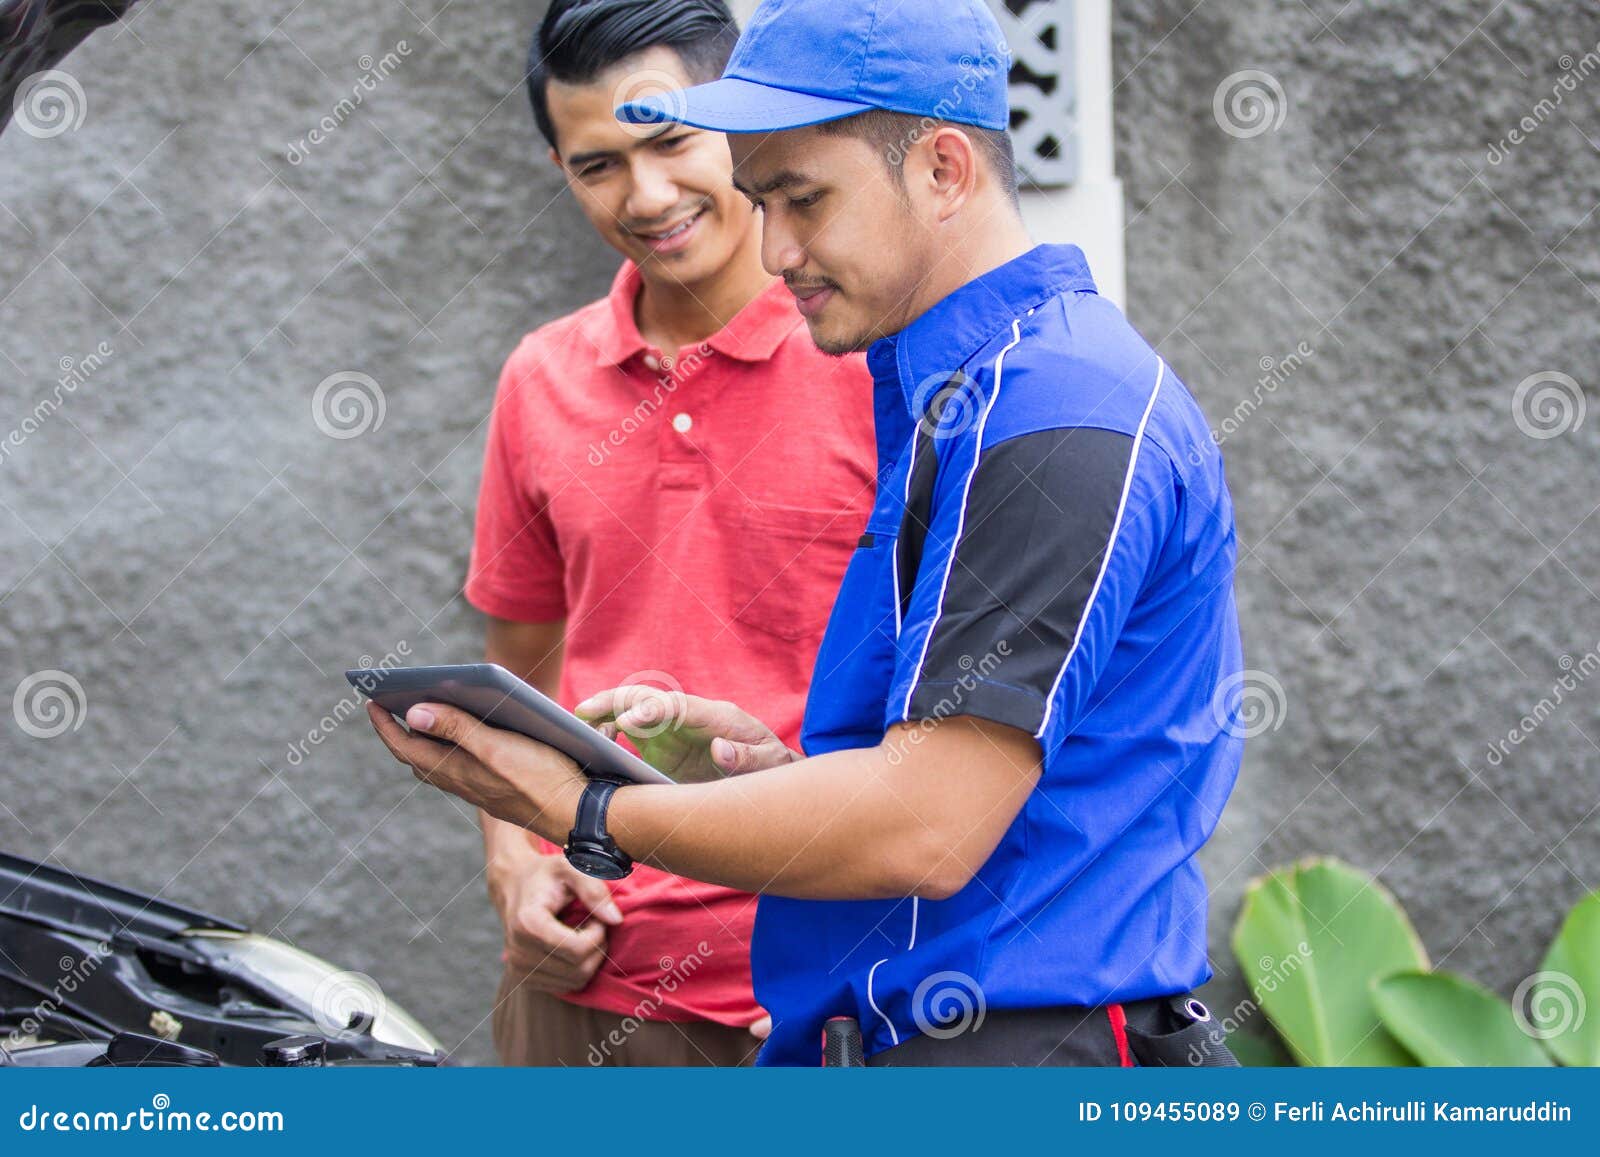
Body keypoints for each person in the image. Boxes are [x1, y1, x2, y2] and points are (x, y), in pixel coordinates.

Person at [373, 0, 1243, 1067]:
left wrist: (588, 804)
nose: (774, 247)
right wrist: (759, 767)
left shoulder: (1056, 411)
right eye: (761, 200)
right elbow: (953, 771)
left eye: (803, 200)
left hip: (1014, 1047)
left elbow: (926, 826)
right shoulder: (950, 387)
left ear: (942, 168)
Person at [464, 0, 875, 1066]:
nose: (645, 196)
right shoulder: (539, 380)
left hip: (834, 988)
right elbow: (523, 664)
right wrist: (513, 858)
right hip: (590, 992)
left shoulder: (877, 360)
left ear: (744, 124)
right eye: (597, 164)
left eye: (671, 142)